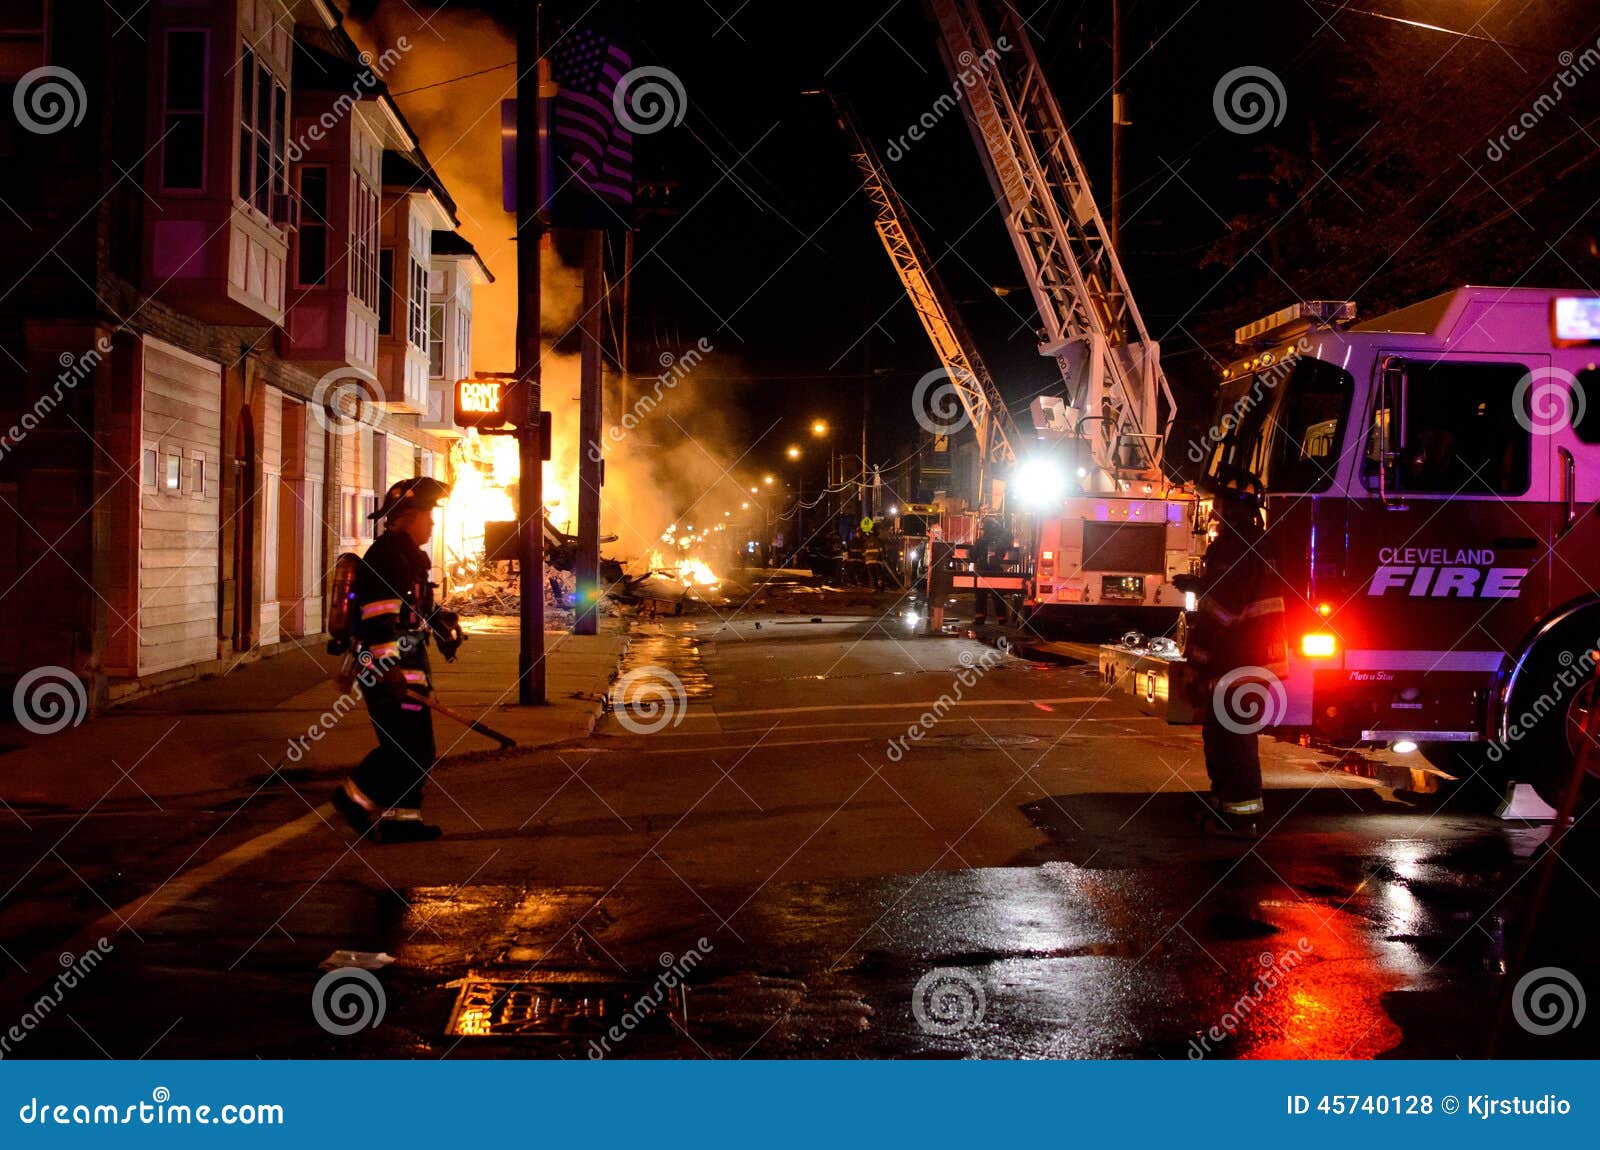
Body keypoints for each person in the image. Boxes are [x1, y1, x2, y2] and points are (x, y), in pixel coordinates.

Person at [333, 477, 465, 844]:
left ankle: (401, 821)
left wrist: (441, 625)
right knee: (412, 748)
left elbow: (414, 608)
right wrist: (388, 669)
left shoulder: (406, 558)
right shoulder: (389, 557)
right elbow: (379, 617)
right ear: (408, 515)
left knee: (411, 749)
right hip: (389, 674)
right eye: (429, 516)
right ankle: (352, 796)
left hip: (405, 670)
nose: (433, 524)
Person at [1185, 467, 1285, 837]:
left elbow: (1222, 612)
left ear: (1232, 508)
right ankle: (1229, 808)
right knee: (1227, 734)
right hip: (1256, 656)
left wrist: (1196, 661)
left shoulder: (1231, 547)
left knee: (1230, 740)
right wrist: (1201, 583)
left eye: (1219, 504)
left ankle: (1241, 818)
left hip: (1235, 657)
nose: (1214, 512)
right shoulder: (1261, 542)